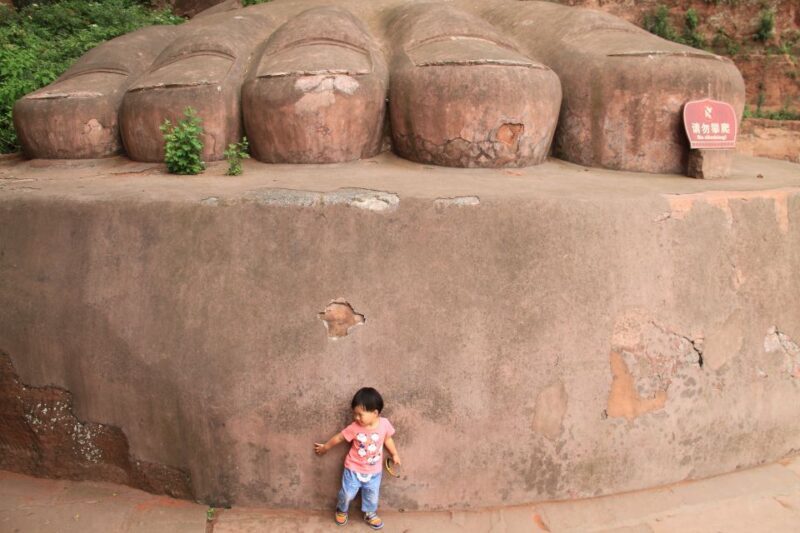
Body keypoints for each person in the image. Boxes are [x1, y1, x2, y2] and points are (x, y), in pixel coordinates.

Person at [314, 387, 401, 530]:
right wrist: (325, 447)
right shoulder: (355, 427)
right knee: (347, 493)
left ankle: (370, 513)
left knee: (372, 495)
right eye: (355, 414)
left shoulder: (384, 424)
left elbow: (388, 440)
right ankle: (342, 509)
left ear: (375, 413)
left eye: (360, 414)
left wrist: (395, 454)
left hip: (374, 472)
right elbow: (340, 437)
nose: (356, 418)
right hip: (353, 469)